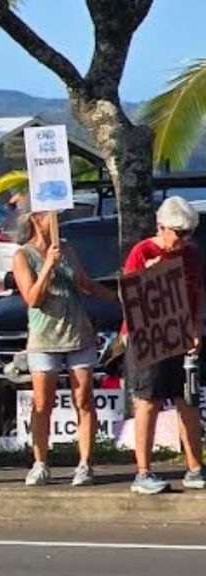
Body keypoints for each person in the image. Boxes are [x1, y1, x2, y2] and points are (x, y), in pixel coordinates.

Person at [11, 199, 116, 487]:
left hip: (77, 332)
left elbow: (85, 283)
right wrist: (48, 266)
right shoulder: (23, 255)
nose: (55, 220)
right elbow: (32, 298)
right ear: (36, 218)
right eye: (50, 215)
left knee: (84, 398)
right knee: (43, 402)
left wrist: (121, 299)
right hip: (44, 338)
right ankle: (40, 461)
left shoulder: (67, 249)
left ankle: (85, 463)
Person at [123, 197, 205, 495]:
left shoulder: (192, 255)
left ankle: (195, 467)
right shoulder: (142, 251)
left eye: (188, 233)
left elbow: (199, 293)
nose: (184, 240)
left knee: (188, 400)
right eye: (179, 233)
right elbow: (128, 295)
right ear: (162, 228)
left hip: (182, 334)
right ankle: (143, 471)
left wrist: (197, 327)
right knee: (148, 401)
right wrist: (149, 273)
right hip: (149, 336)